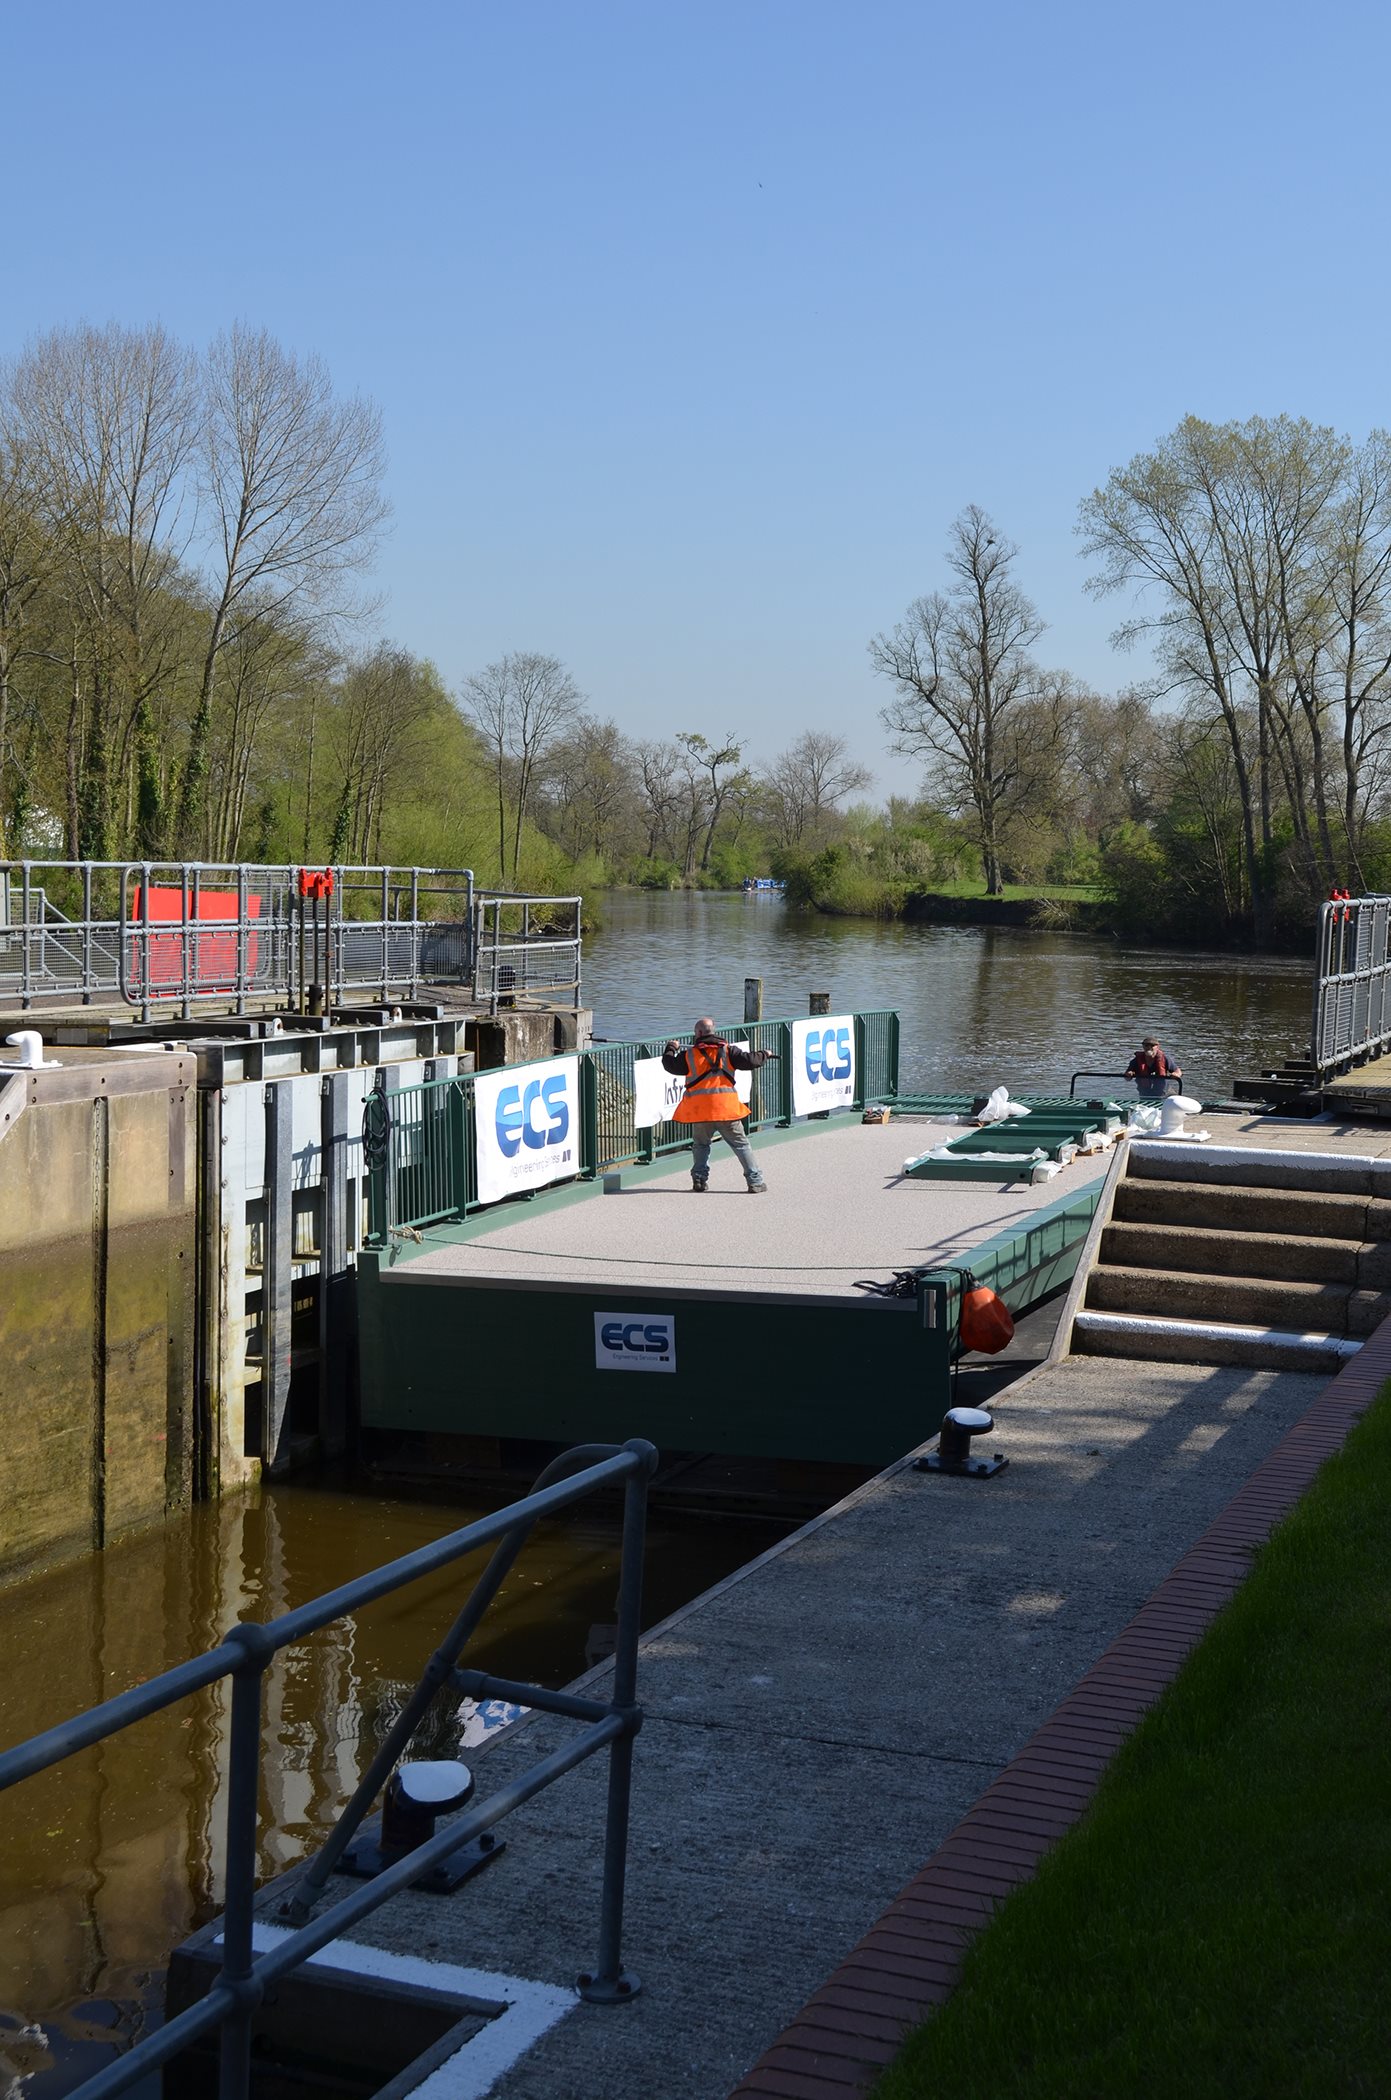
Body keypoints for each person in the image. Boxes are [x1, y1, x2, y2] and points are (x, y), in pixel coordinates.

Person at [661, 1018, 774, 1192]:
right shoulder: (730, 1052)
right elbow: (751, 1061)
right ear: (713, 1031)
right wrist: (764, 1053)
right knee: (741, 1145)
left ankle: (699, 1180)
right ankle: (755, 1182)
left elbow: (670, 1065)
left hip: (701, 1111)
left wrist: (671, 1048)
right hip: (726, 1110)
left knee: (700, 1145)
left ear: (698, 1033)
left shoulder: (689, 1055)